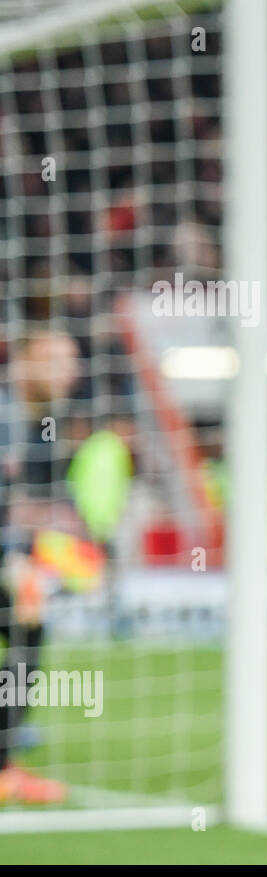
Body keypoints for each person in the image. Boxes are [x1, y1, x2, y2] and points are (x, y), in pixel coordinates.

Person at [0, 329, 81, 805]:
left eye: (71, 361)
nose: (67, 371)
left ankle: (6, 763)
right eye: (53, 359)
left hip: (12, 557)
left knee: (29, 634)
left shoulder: (44, 421)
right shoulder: (6, 415)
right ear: (24, 362)